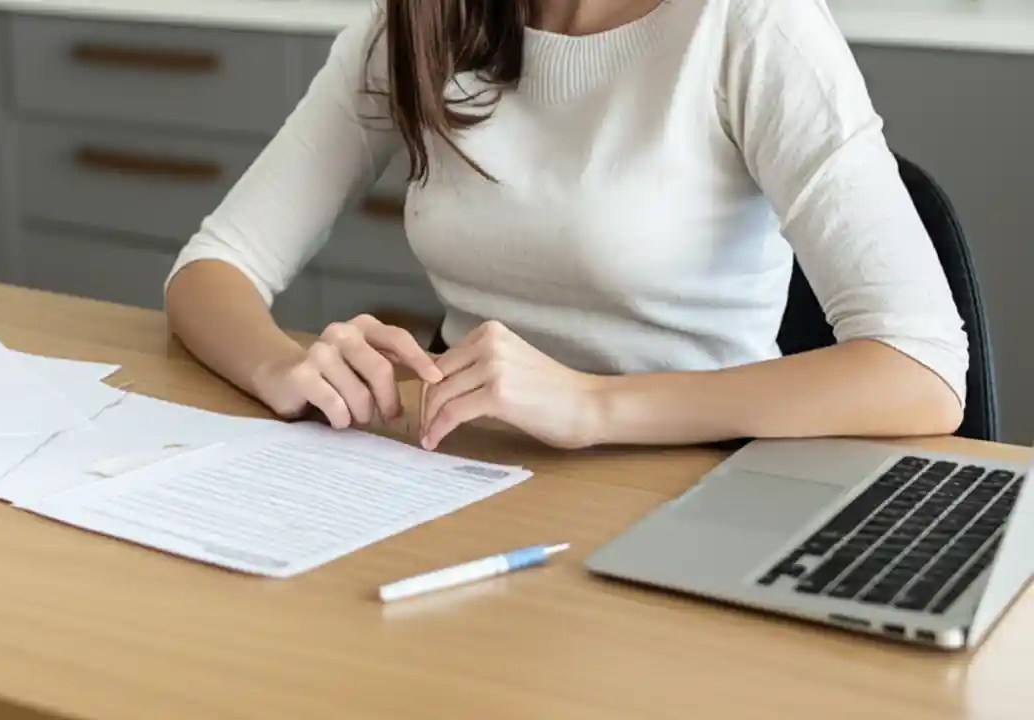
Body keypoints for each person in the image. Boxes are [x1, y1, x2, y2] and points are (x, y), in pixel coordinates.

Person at [166, 0, 968, 452]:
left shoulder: (751, 25)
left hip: (703, 476)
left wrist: (594, 406)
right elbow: (214, 268)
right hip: (463, 471)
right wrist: (285, 367)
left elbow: (921, 368)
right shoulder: (419, 22)